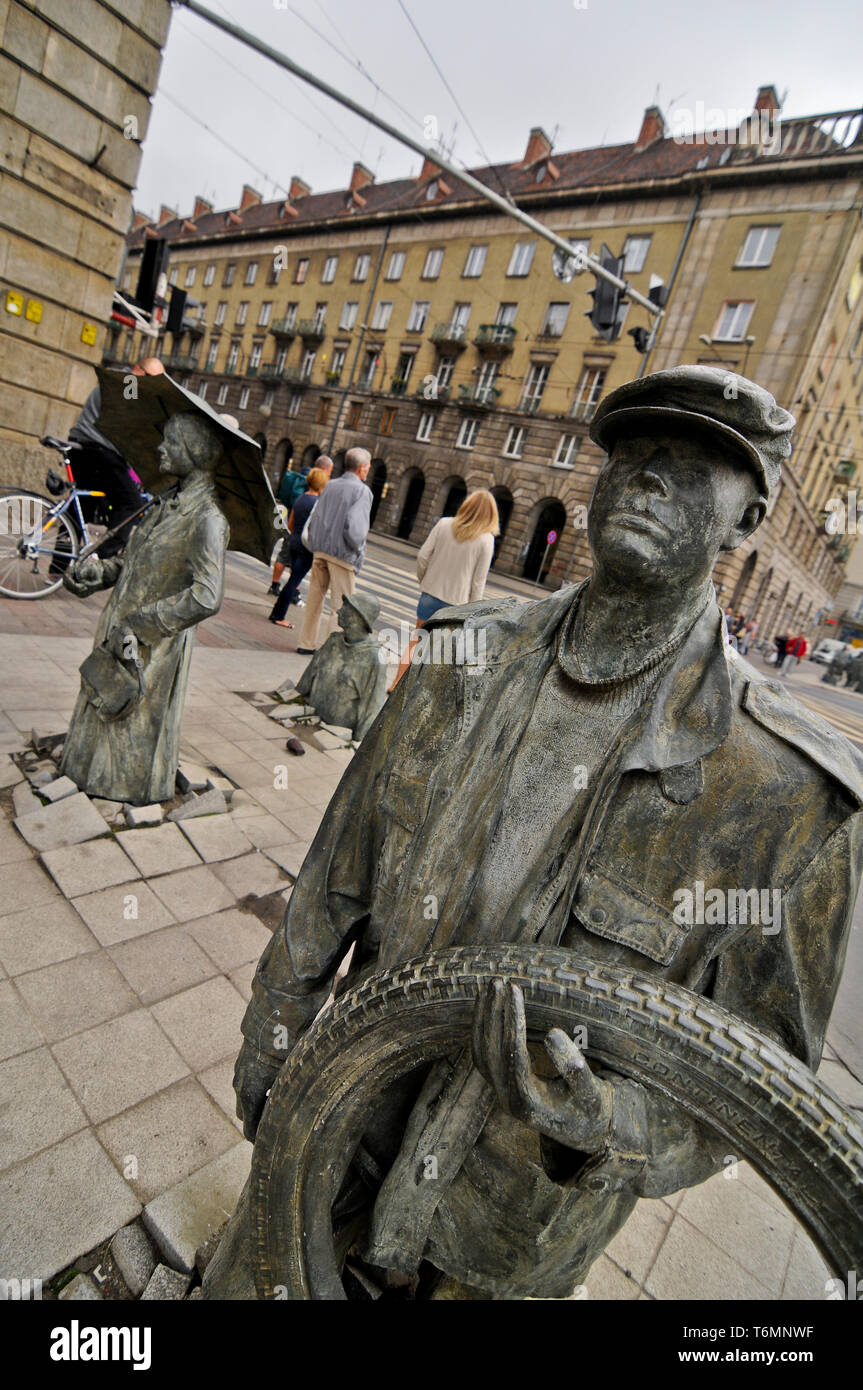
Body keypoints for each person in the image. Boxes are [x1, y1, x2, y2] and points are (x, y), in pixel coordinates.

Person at [203, 365, 863, 1302]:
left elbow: (755, 1090)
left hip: (506, 1219)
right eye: (629, 457)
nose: (646, 482)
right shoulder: (462, 655)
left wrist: (614, 1125)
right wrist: (272, 1030)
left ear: (745, 518)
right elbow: (335, 873)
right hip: (349, 1120)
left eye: (689, 467)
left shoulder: (785, 794)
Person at [60, 411, 230, 805]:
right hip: (121, 627)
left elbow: (207, 595)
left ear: (194, 451)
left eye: (170, 442)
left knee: (132, 716)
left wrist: (145, 623)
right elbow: (133, 562)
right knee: (104, 700)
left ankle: (127, 785)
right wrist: (99, 574)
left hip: (153, 643)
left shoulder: (207, 519)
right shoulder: (162, 503)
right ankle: (87, 770)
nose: (160, 448)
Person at [389, 490, 499, 691]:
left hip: (430, 595)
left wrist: (426, 580)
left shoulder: (444, 524)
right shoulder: (486, 540)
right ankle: (417, 693)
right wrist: (473, 611)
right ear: (491, 515)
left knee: (417, 641)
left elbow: (423, 556)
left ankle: (396, 683)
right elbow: (478, 582)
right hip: (456, 606)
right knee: (440, 653)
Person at [68, 357, 164, 555]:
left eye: (157, 381)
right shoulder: (128, 382)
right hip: (100, 451)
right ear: (137, 368)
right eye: (149, 377)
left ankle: (58, 567)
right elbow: (129, 426)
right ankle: (102, 561)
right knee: (131, 504)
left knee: (82, 505)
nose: (150, 384)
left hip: (81, 446)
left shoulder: (115, 381)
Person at [296, 447, 372, 655]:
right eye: (367, 467)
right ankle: (331, 649)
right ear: (362, 468)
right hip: (343, 554)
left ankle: (306, 643)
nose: (368, 470)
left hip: (320, 550)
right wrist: (357, 553)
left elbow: (317, 515)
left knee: (314, 599)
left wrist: (316, 543)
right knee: (341, 606)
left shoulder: (330, 485)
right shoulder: (362, 491)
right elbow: (356, 529)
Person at [268, 466, 329, 628]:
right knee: (293, 581)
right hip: (306, 546)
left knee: (292, 579)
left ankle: (276, 613)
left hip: (294, 542)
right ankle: (279, 615)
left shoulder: (301, 498)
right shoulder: (317, 504)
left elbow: (291, 523)